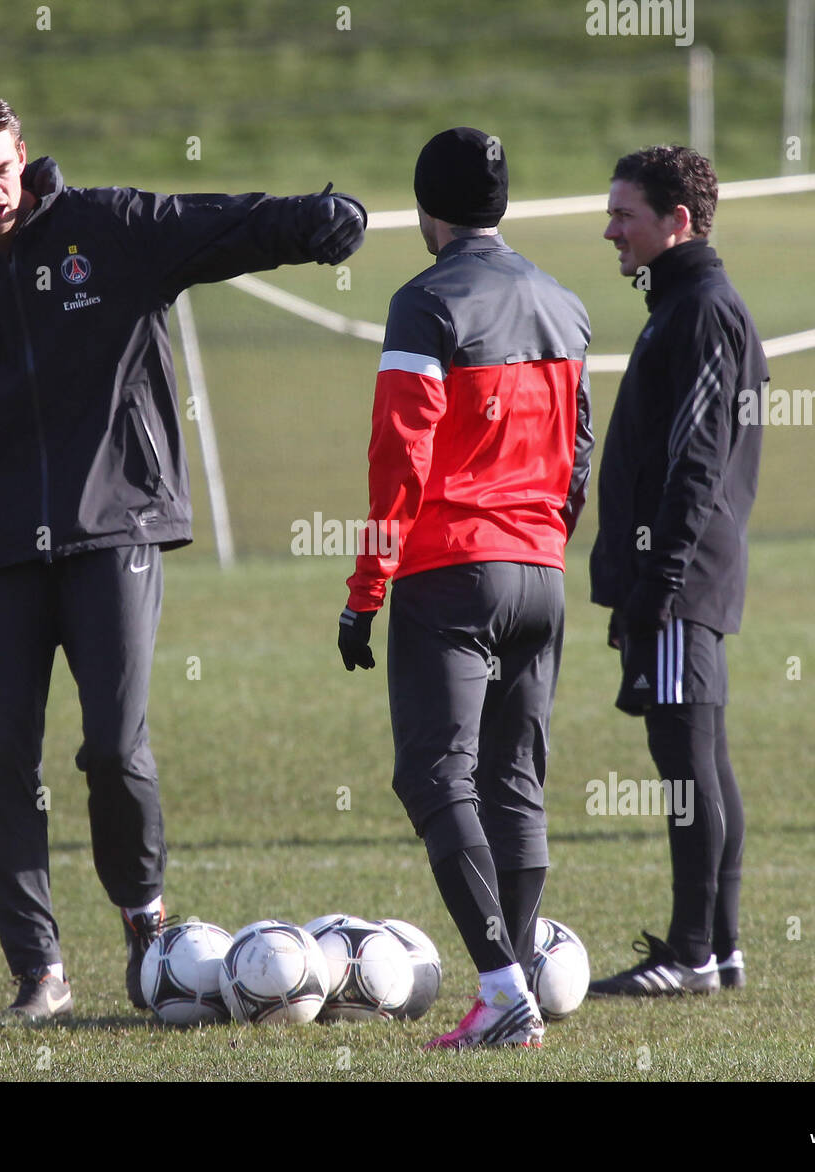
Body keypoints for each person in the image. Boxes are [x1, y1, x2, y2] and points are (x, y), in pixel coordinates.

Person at [0, 88, 366, 1025]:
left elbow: (223, 227)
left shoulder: (107, 226)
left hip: (116, 525)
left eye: (0, 168)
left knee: (114, 747)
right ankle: (39, 970)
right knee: (6, 759)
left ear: (22, 152)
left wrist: (317, 222)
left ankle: (145, 921)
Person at [337, 127, 592, 1049]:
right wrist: (542, 541)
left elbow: (398, 459)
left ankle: (498, 984)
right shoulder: (565, 304)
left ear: (424, 211)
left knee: (436, 775)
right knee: (514, 785)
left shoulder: (425, 302)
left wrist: (365, 590)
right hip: (541, 572)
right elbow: (580, 449)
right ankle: (513, 991)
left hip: (454, 571)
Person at [588, 145, 765, 997]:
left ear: (677, 222)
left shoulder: (699, 308)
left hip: (679, 580)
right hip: (684, 577)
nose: (610, 228)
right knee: (704, 758)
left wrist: (653, 589)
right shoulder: (682, 301)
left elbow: (696, 465)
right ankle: (717, 946)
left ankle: (691, 952)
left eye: (625, 214)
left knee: (686, 760)